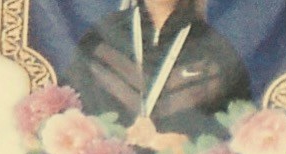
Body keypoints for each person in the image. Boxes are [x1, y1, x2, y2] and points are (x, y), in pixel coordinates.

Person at [61, 0, 257, 143]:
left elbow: (235, 126)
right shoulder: (103, 36)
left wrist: (187, 142)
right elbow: (71, 103)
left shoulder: (214, 49)